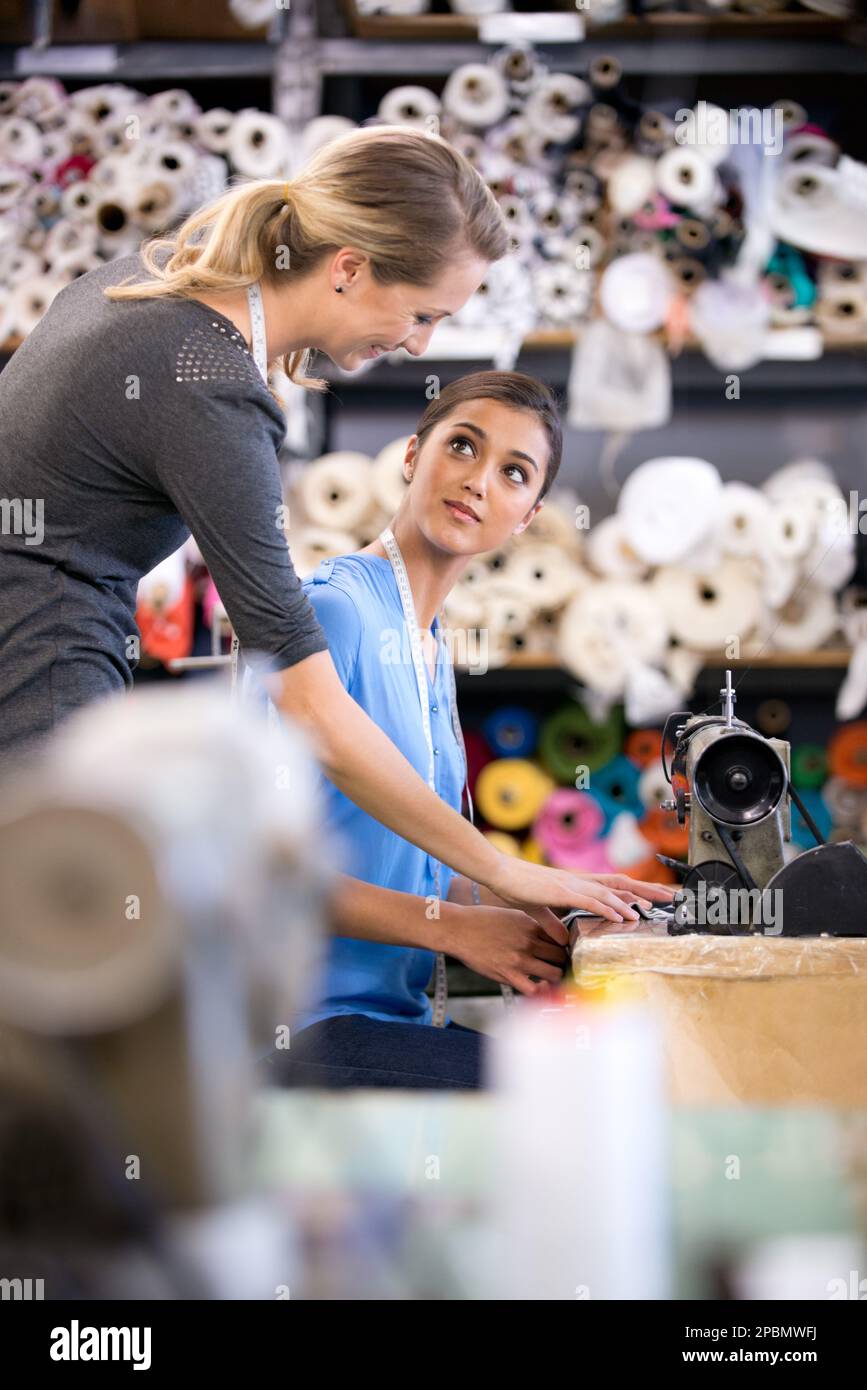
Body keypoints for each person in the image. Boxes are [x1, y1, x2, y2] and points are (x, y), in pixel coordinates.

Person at [0, 124, 644, 926]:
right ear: (348, 268)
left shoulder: (152, 280)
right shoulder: (211, 390)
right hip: (36, 670)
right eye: (421, 313)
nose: (419, 344)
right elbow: (305, 699)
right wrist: (506, 874)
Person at [267, 372, 674, 1090]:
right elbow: (254, 872)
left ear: (527, 515)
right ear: (411, 456)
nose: (478, 482)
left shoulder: (426, 642)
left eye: (512, 473)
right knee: (569, 1100)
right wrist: (452, 928)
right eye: (461, 447)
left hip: (390, 1019)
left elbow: (406, 869)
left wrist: (554, 902)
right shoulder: (334, 613)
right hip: (297, 1027)